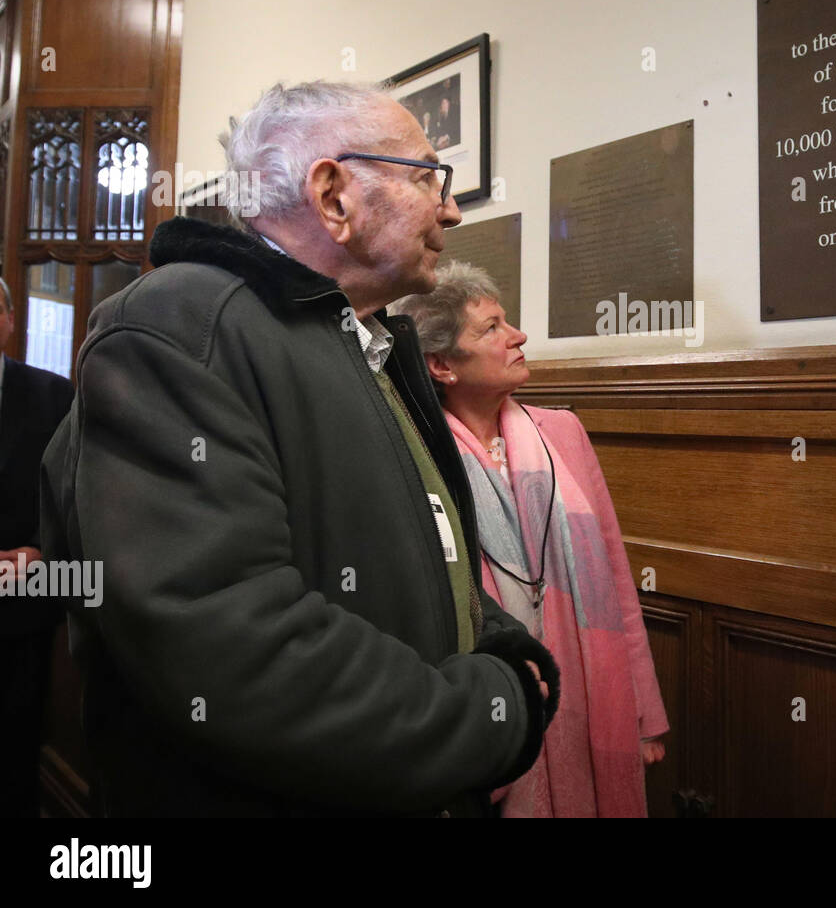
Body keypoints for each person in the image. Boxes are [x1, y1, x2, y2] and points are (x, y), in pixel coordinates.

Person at [38, 81, 559, 817]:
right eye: (427, 176)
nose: (450, 208)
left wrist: (500, 643)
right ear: (334, 195)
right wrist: (482, 716)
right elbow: (230, 649)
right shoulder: (178, 326)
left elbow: (415, 553)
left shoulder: (360, 340)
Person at [391, 262, 668, 817]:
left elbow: (613, 578)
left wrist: (644, 714)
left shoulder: (561, 431)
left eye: (507, 321)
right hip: (500, 698)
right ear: (442, 365)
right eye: (490, 328)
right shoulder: (417, 454)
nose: (517, 336)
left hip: (591, 690)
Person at [0, 277, 74, 817]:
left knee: (13, 756)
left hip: (19, 613)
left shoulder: (54, 396)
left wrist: (37, 549)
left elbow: (76, 492)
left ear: (7, 319)